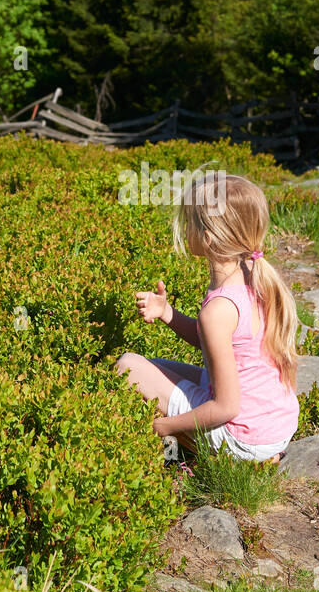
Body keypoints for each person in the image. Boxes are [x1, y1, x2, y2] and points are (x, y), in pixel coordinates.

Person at [115, 171, 299, 462]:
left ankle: (225, 457)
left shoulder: (218, 309)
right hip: (275, 423)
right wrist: (167, 313)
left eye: (190, 223)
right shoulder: (252, 277)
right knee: (154, 366)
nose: (186, 229)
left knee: (127, 366)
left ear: (208, 238)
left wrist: (163, 427)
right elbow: (213, 343)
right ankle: (259, 454)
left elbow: (226, 407)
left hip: (243, 433)